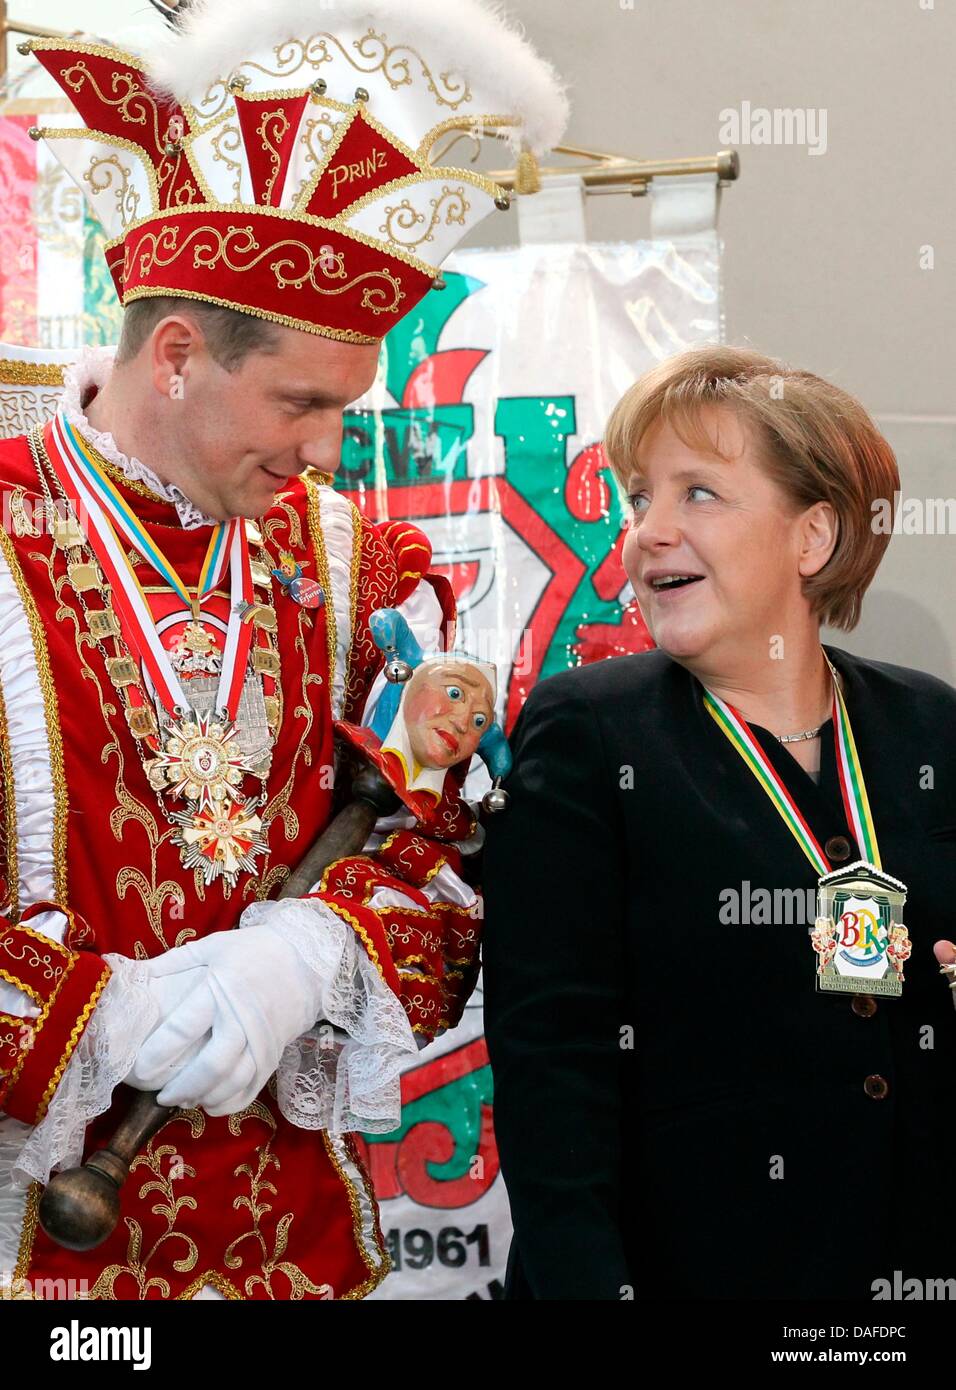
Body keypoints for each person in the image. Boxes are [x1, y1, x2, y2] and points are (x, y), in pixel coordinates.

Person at [0, 0, 565, 1300]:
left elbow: (444, 846)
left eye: (344, 410)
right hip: (39, 1241)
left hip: (297, 1245)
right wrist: (100, 1015)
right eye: (304, 403)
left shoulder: (363, 566)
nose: (325, 451)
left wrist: (311, 952)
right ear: (182, 355)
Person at [482, 344, 956, 1300]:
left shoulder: (930, 723)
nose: (649, 531)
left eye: (698, 493)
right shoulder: (589, 730)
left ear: (812, 538)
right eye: (637, 498)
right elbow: (551, 1074)